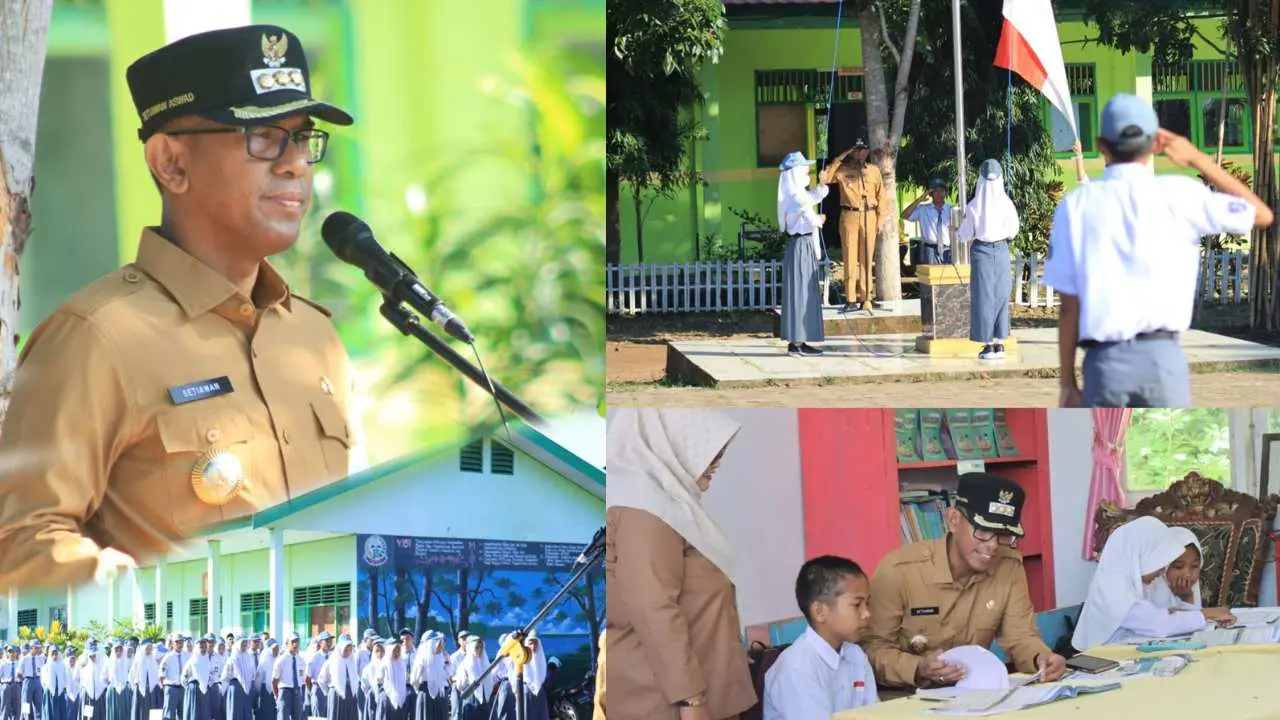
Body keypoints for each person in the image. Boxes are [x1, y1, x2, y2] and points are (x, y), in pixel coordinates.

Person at [0, 23, 362, 589]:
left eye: (303, 137)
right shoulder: (97, 337)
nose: (295, 164)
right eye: (264, 137)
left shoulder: (313, 339)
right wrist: (143, 600)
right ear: (171, 162)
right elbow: (19, 541)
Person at [1044, 93, 1274, 408]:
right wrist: (1198, 158)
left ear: (1100, 145)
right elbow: (1261, 215)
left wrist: (1068, 384)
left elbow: (1069, 306)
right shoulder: (1182, 194)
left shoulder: (1077, 205)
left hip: (1104, 364)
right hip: (1163, 361)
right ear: (1156, 144)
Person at [605, 408, 756, 720]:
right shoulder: (644, 509)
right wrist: (691, 700)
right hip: (668, 706)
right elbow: (653, 608)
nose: (717, 463)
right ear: (668, 440)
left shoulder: (668, 506)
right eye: (711, 450)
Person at [863, 473, 1067, 689]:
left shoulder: (1009, 567)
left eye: (1004, 535)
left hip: (974, 695)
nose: (993, 546)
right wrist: (917, 667)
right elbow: (871, 649)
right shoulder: (900, 571)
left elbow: (1021, 637)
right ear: (953, 520)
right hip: (906, 697)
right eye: (983, 531)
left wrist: (1042, 658)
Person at [1072, 517, 1236, 649]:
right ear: (1141, 555)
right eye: (1158, 561)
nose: (1161, 571)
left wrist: (1195, 610)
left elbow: (1166, 613)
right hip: (1105, 659)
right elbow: (1159, 623)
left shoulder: (1139, 580)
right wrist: (1206, 614)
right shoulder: (1113, 586)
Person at [763, 555, 878, 719]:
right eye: (857, 604)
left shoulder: (856, 656)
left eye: (868, 604)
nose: (867, 613)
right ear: (820, 612)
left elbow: (875, 713)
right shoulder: (797, 668)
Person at [777, 151, 837, 357]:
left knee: (805, 292)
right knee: (801, 293)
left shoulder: (796, 193)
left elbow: (815, 196)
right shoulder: (795, 196)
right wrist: (819, 219)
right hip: (801, 245)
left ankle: (799, 341)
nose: (807, 171)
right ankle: (796, 343)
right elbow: (813, 218)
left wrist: (822, 183)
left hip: (803, 246)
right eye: (803, 168)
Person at [957, 160, 1018, 361]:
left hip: (982, 250)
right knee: (1000, 295)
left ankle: (989, 345)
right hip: (1001, 250)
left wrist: (959, 231)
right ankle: (998, 343)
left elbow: (965, 234)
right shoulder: (1007, 203)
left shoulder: (974, 205)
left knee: (985, 297)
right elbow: (1013, 231)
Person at [826, 139, 888, 312]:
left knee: (867, 258)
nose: (861, 153)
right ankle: (851, 299)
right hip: (849, 215)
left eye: (864, 149)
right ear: (852, 151)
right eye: (857, 150)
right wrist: (842, 156)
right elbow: (825, 178)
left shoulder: (874, 171)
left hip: (869, 215)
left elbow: (881, 196)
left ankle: (866, 297)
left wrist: (880, 219)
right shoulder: (843, 170)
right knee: (850, 258)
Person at [901, 179, 953, 266]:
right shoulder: (923, 209)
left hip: (948, 250)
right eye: (936, 191)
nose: (939, 194)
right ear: (931, 194)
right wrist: (920, 199)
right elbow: (904, 215)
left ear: (946, 193)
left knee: (949, 278)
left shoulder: (952, 209)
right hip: (930, 250)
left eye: (942, 191)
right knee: (932, 277)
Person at [1153, 527, 1203, 608]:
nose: (1187, 574)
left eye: (1195, 566)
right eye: (1178, 567)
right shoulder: (1150, 588)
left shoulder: (1193, 589)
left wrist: (1187, 598)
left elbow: (1193, 619)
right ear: (1164, 565)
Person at [409, 633, 447, 720]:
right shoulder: (422, 659)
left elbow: (446, 675)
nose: (441, 648)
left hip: (438, 694)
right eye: (439, 645)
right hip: (425, 694)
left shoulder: (440, 658)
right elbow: (413, 680)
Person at [317, 639, 357, 720]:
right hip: (336, 696)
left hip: (350, 695)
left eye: (350, 650)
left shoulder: (351, 661)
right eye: (346, 650)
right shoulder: (332, 661)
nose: (348, 652)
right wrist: (329, 692)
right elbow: (321, 680)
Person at [271, 635, 302, 720]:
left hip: (297, 691)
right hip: (285, 691)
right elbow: (274, 681)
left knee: (298, 716)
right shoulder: (281, 660)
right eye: (293, 642)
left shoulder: (300, 660)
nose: (295, 644)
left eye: (297, 641)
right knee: (283, 716)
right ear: (288, 644)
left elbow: (301, 678)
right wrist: (277, 695)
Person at [131, 642, 161, 720]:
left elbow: (158, 674)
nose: (148, 650)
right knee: (141, 712)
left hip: (154, 690)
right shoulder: (138, 660)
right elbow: (132, 675)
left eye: (150, 648)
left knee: (155, 711)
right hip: (140, 690)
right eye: (147, 648)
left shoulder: (154, 659)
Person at [39, 647, 68, 720]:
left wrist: (63, 688)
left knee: (60, 712)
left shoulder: (62, 665)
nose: (54, 655)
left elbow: (64, 678)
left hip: (60, 692)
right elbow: (43, 681)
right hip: (49, 692)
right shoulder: (46, 666)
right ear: (50, 655)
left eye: (56, 653)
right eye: (53, 654)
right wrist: (48, 689)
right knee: (49, 712)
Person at [0, 646, 19, 720]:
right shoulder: (3, 663)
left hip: (16, 686)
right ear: (7, 653)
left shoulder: (18, 663)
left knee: (17, 708)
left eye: (13, 652)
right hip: (6, 685)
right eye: (10, 652)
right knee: (5, 708)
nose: (12, 653)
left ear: (16, 653)